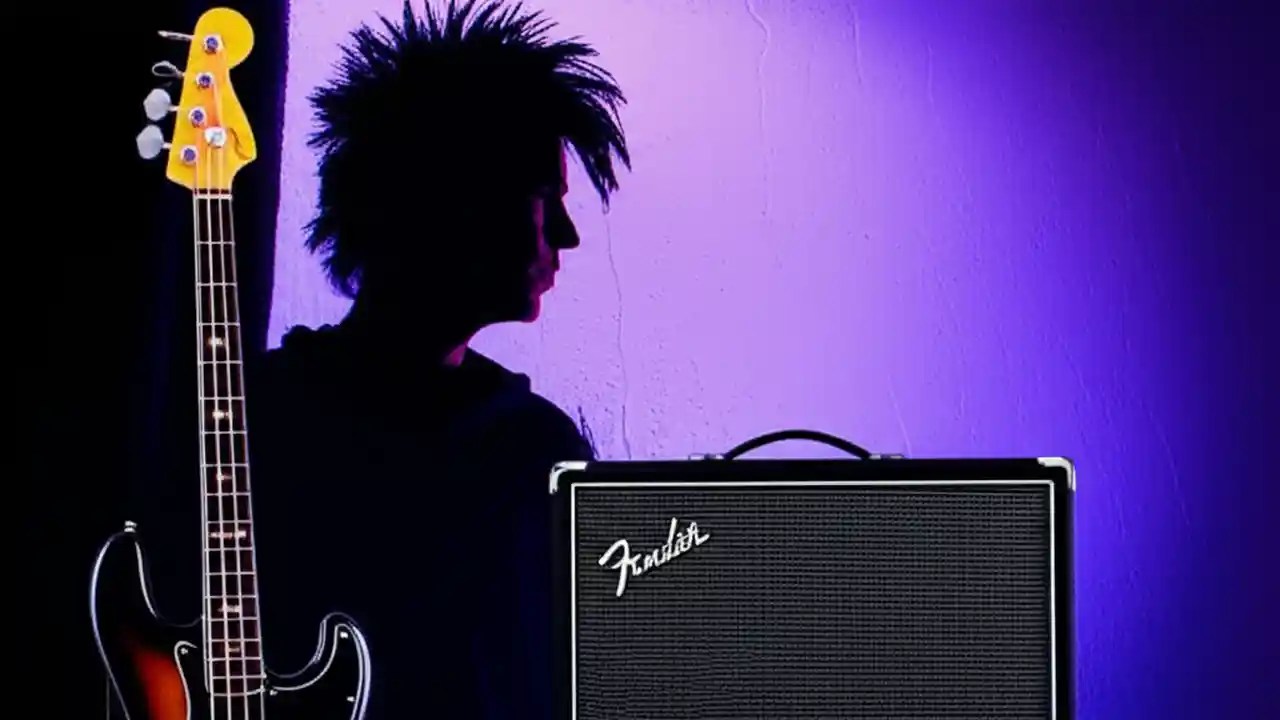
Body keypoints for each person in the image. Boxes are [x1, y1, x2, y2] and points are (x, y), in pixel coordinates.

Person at [245, 1, 629, 717]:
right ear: (459, 204)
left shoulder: (537, 453)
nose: (568, 236)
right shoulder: (249, 424)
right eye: (544, 198)